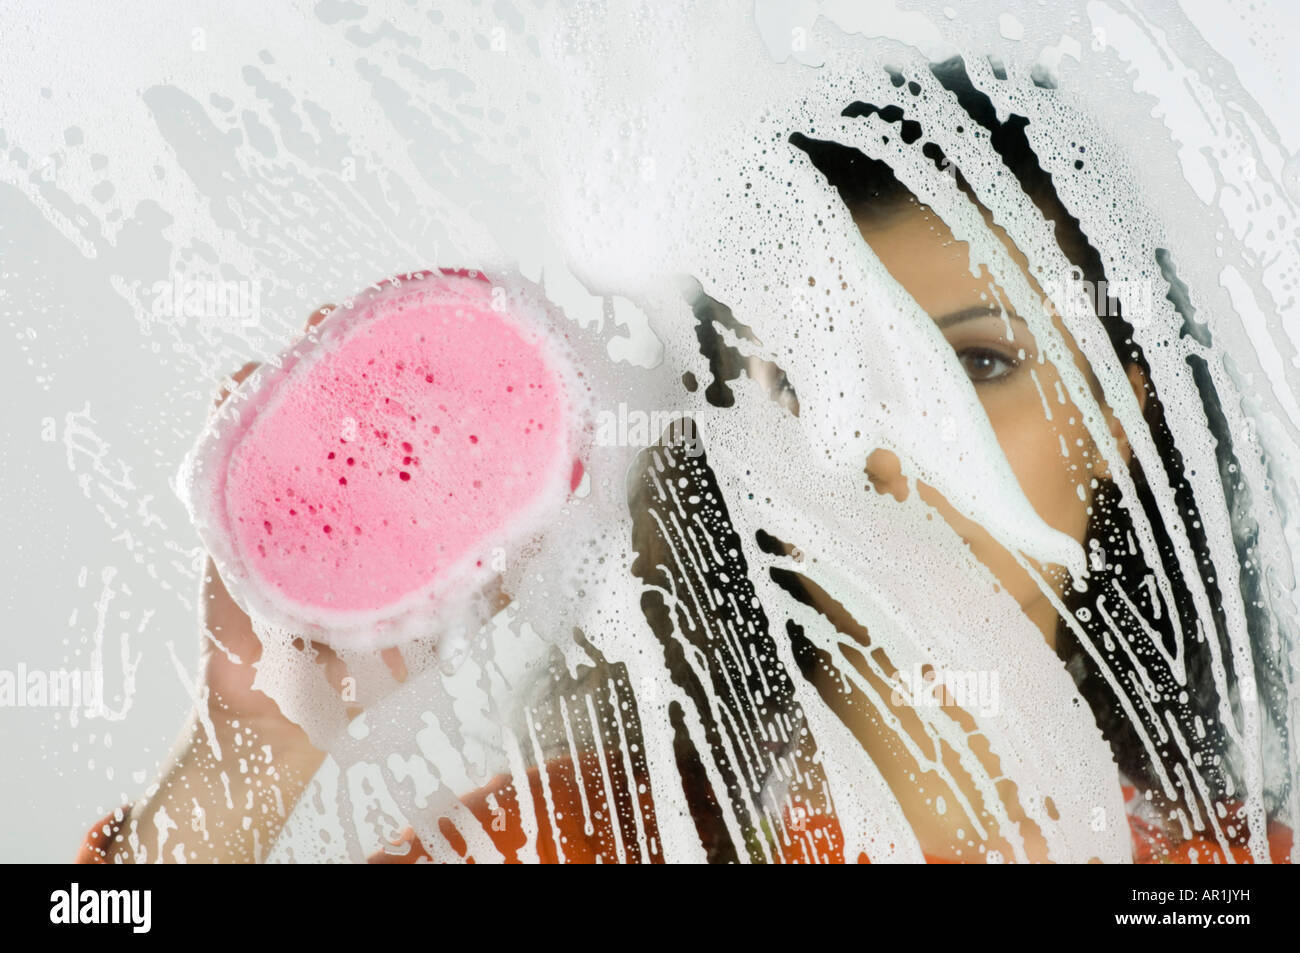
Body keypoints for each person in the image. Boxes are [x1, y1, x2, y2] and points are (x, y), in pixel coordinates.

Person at [77, 57, 1293, 864]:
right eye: (818, 377)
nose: (898, 451)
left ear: (1119, 411)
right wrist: (236, 766)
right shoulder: (564, 842)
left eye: (978, 366)